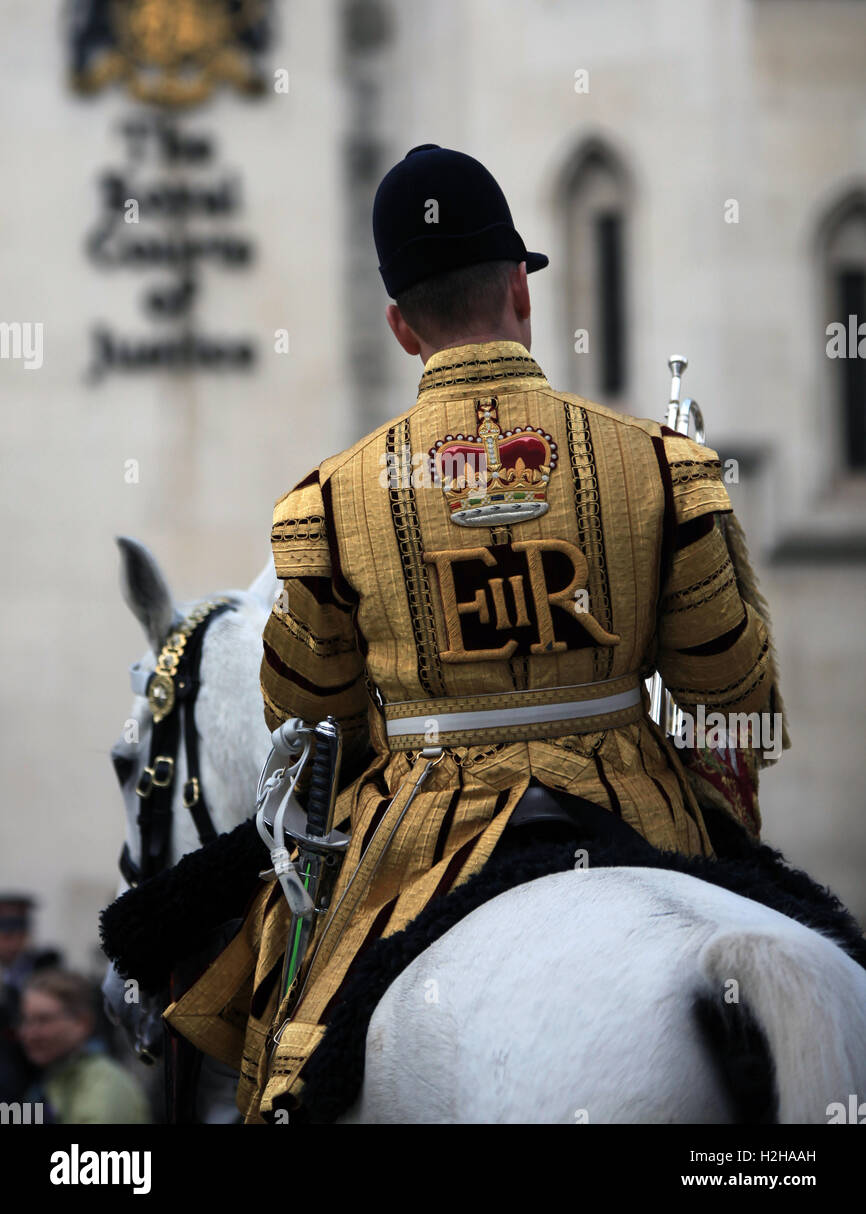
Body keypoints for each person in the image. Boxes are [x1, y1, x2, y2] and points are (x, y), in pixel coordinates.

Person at [164, 143, 787, 1122]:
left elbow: (304, 714)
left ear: (401, 326)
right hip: (638, 807)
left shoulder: (325, 506)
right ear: (520, 292)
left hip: (414, 838)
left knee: (290, 1066)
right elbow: (732, 688)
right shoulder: (663, 467)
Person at [18, 969, 151, 1124]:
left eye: (44, 1020)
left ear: (82, 1023)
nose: (29, 1033)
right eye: (26, 1020)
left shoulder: (105, 1086)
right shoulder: (50, 1079)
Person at [0, 894, 61, 1102]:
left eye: (18, 932)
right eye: (5, 933)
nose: (11, 941)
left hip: (41, 1071)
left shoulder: (46, 967)